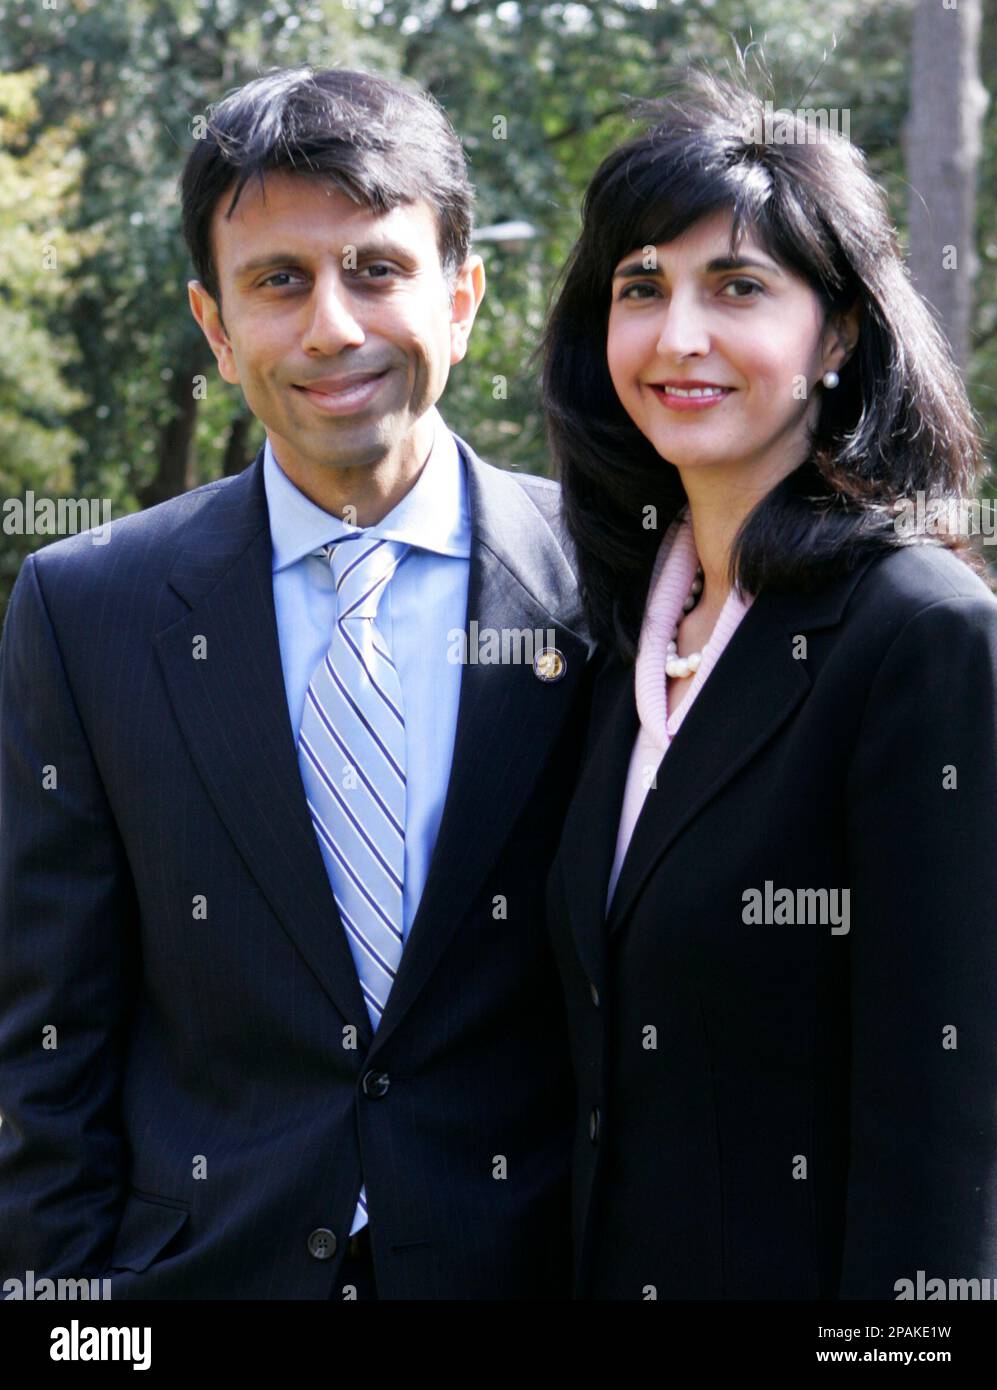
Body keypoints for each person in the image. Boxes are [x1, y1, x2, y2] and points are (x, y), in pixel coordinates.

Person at [0, 66, 593, 1300]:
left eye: (377, 268)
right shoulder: (85, 609)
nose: (333, 325)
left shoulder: (618, 583)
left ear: (463, 297)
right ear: (216, 330)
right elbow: (46, 1031)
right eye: (278, 281)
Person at [540, 70, 997, 1300]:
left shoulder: (922, 637)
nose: (676, 335)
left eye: (736, 287)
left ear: (837, 334)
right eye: (640, 288)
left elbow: (949, 1115)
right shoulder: (611, 634)